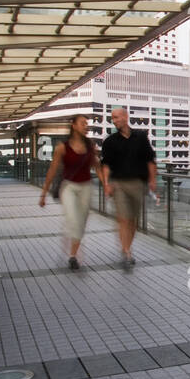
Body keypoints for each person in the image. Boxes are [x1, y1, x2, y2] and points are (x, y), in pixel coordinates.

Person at [39, 115, 106, 269]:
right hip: (68, 186)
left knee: (80, 223)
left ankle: (73, 256)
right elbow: (52, 170)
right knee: (73, 219)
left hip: (86, 186)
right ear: (74, 126)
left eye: (86, 124)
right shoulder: (62, 147)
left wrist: (105, 185)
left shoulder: (90, 146)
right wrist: (43, 194)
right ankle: (72, 249)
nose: (86, 126)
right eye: (83, 123)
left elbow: (97, 166)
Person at [101, 106, 158, 269]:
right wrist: (106, 184)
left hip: (138, 184)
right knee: (123, 218)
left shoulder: (141, 137)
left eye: (117, 117)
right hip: (118, 184)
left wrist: (152, 181)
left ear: (126, 117)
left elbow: (150, 161)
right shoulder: (110, 141)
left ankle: (127, 247)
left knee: (133, 221)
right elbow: (105, 165)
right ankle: (126, 252)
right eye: (113, 118)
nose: (115, 120)